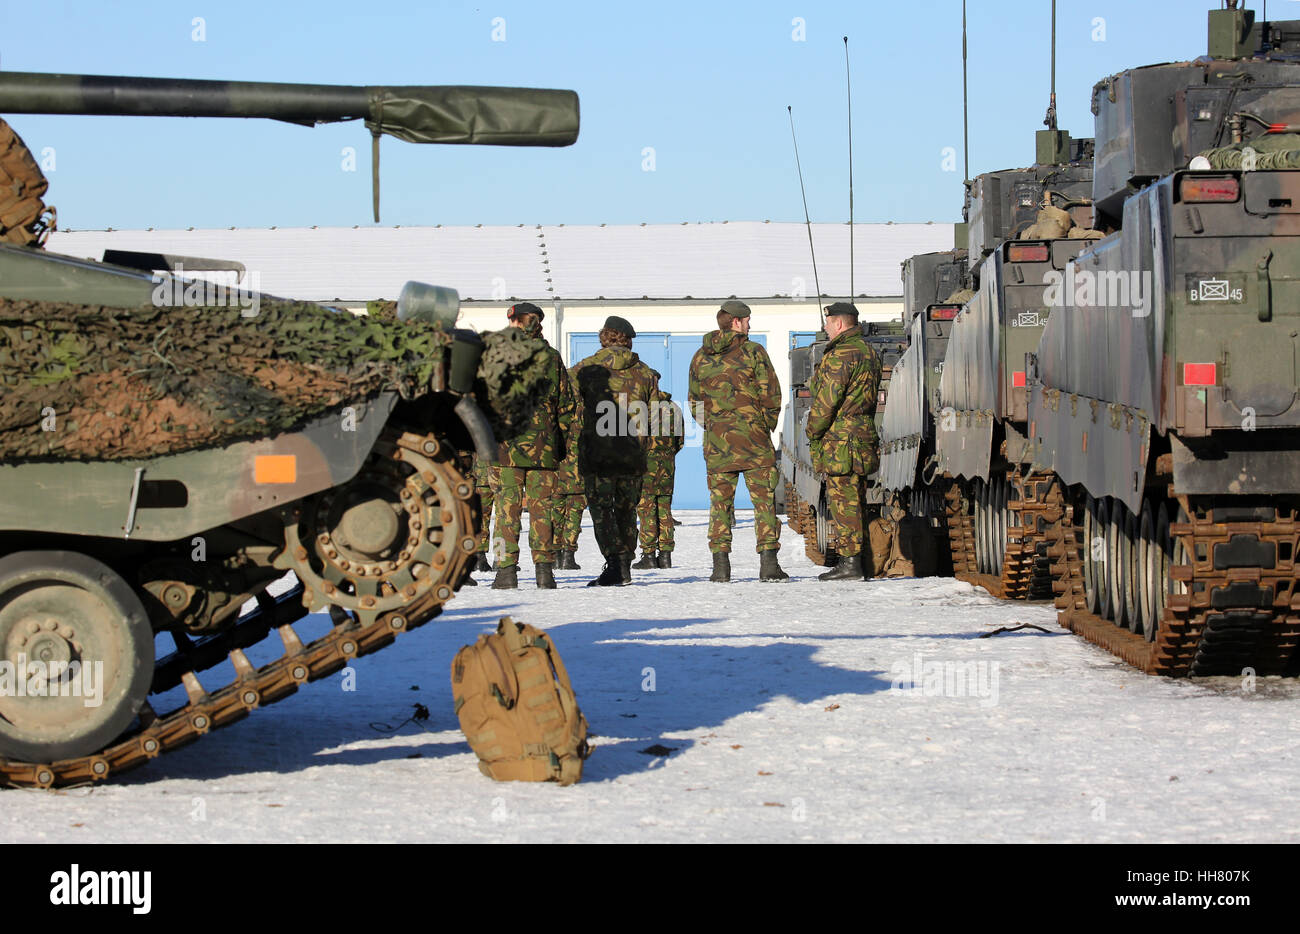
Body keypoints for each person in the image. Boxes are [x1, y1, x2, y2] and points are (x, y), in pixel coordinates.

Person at [688, 299, 789, 583]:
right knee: (764, 503)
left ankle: (720, 567)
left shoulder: (700, 357)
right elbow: (771, 394)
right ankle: (769, 564)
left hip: (718, 445)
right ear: (735, 322)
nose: (749, 325)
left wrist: (714, 428)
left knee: (719, 505)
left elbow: (694, 402)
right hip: (755, 443)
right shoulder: (754, 352)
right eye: (746, 320)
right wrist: (764, 425)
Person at [490, 302, 575, 590]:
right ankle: (544, 572)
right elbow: (566, 405)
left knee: (506, 511)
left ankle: (504, 571)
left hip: (506, 447)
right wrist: (556, 440)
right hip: (543, 446)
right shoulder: (551, 357)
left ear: (515, 322)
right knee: (543, 510)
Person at [571, 315, 660, 586]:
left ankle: (614, 563)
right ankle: (624, 564)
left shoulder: (583, 370)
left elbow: (571, 411)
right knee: (626, 509)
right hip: (632, 454)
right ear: (627, 339)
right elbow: (655, 418)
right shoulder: (645, 373)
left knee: (601, 509)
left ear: (605, 336)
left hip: (598, 453)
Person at [805, 301, 882, 581]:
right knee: (857, 500)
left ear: (838, 323)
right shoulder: (869, 352)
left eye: (827, 322)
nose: (825, 328)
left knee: (843, 501)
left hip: (841, 441)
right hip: (861, 435)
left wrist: (812, 430)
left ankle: (850, 564)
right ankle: (860, 560)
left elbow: (827, 401)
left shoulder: (841, 355)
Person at [633, 382, 685, 569]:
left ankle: (648, 555)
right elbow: (680, 441)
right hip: (667, 467)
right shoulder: (674, 409)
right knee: (664, 510)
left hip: (645, 466)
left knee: (646, 510)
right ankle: (665, 555)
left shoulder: (640, 408)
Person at [553, 370, 587, 570]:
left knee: (555, 513)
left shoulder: (557, 409)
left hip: (557, 470)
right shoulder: (588, 410)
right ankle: (568, 556)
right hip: (579, 471)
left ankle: (556, 554)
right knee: (574, 514)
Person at [471, 455, 498, 572]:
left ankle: (479, 556)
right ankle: (501, 559)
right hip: (504, 473)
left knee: (481, 517)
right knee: (504, 519)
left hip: (482, 473)